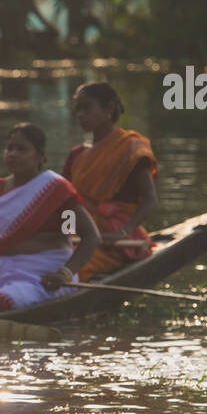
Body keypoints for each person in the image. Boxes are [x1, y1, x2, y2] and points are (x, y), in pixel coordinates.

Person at [0, 124, 100, 315]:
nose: (13, 154)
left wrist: (65, 274)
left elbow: (90, 237)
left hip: (41, 271)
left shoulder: (56, 190)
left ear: (41, 156)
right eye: (10, 148)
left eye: (22, 149)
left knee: (2, 303)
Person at [63, 82, 158, 279]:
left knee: (74, 268)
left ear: (108, 109)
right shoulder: (76, 155)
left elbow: (150, 200)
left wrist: (124, 232)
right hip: (83, 237)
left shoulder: (130, 149)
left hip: (116, 243)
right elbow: (65, 205)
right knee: (52, 259)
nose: (80, 114)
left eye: (87, 107)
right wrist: (66, 235)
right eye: (77, 109)